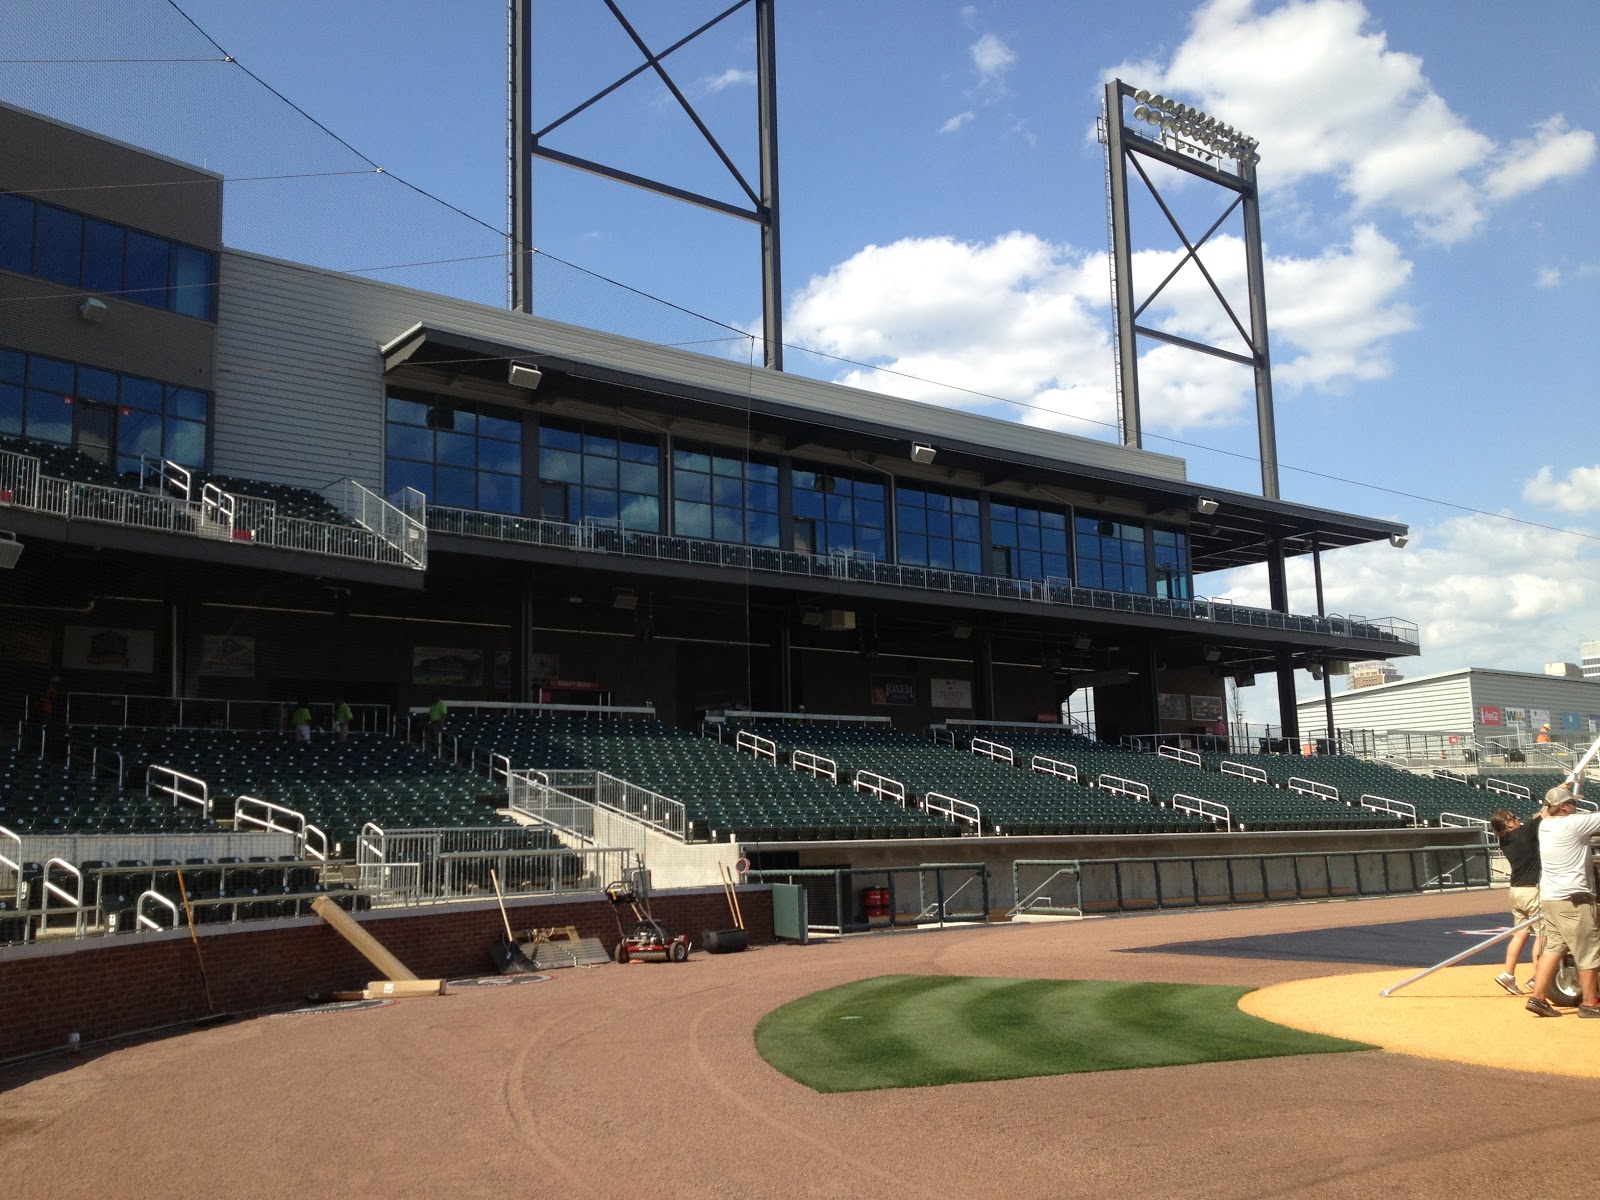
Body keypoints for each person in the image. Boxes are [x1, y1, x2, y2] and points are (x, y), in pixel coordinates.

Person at [1525, 781, 1600, 1017]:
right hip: (1573, 899)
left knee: (1554, 947)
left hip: (1551, 898)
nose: (1576, 805)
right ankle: (1590, 1003)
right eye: (1572, 802)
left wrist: (1558, 793)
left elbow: (1544, 811)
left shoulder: (1545, 824)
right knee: (1588, 951)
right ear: (1564, 808)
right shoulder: (1573, 823)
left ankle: (1537, 997)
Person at [1489, 807, 1544, 994]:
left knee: (1520, 933)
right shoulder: (1524, 833)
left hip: (1515, 890)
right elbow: (1546, 812)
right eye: (1513, 817)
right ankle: (1537, 977)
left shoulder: (1504, 840)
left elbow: (1538, 816)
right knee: (1542, 935)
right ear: (1508, 823)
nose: (1517, 818)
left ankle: (1508, 974)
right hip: (1531, 890)